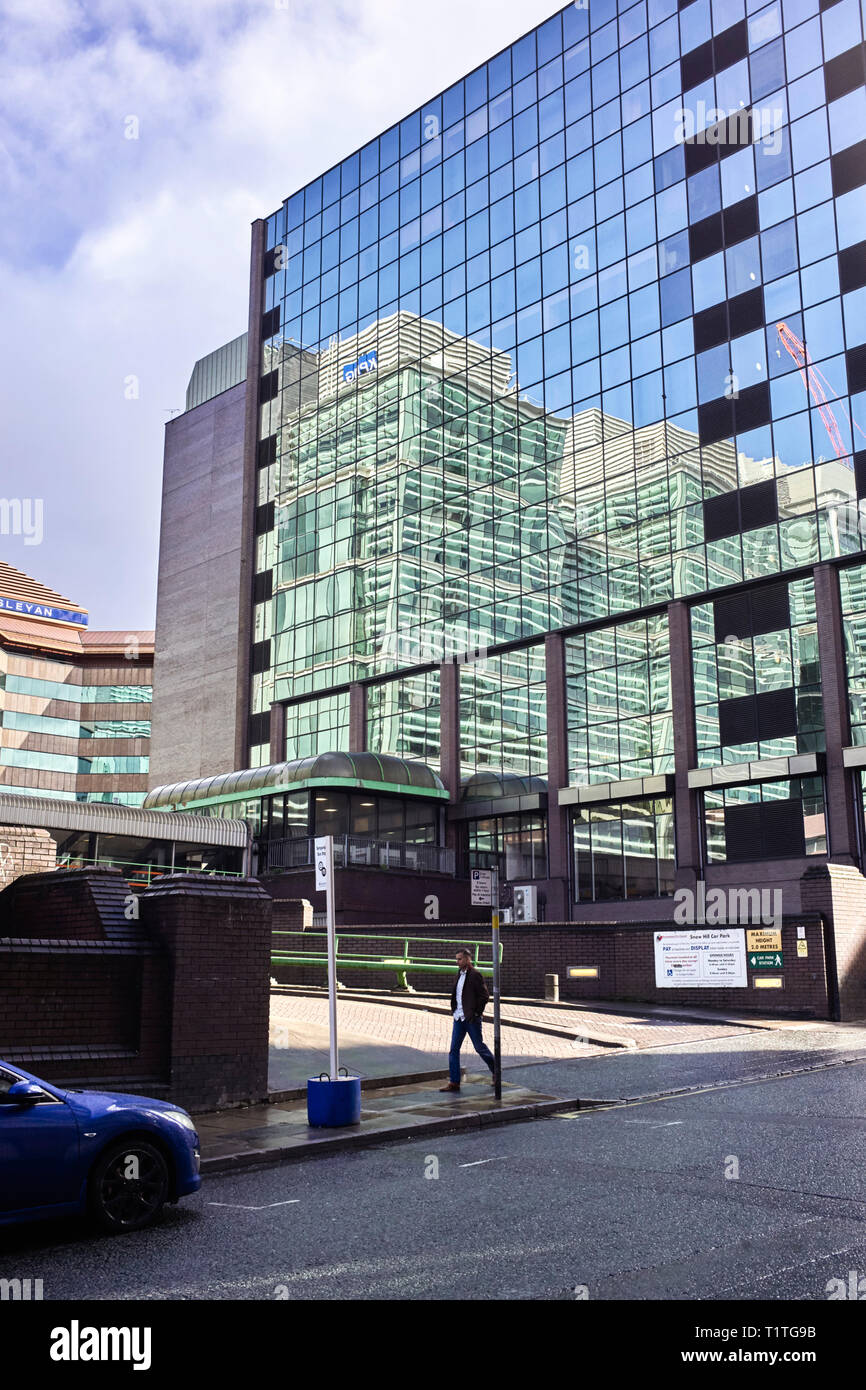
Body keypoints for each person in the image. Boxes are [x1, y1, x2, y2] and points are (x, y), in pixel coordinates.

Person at [439, 947, 495, 1091]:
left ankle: (497, 1072)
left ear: (468, 959)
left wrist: (476, 1013)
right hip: (458, 1018)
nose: (457, 961)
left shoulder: (475, 975)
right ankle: (454, 1082)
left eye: (460, 959)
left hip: (471, 1019)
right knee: (453, 1050)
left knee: (479, 1048)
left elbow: (484, 996)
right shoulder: (459, 973)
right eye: (456, 959)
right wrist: (455, 1010)